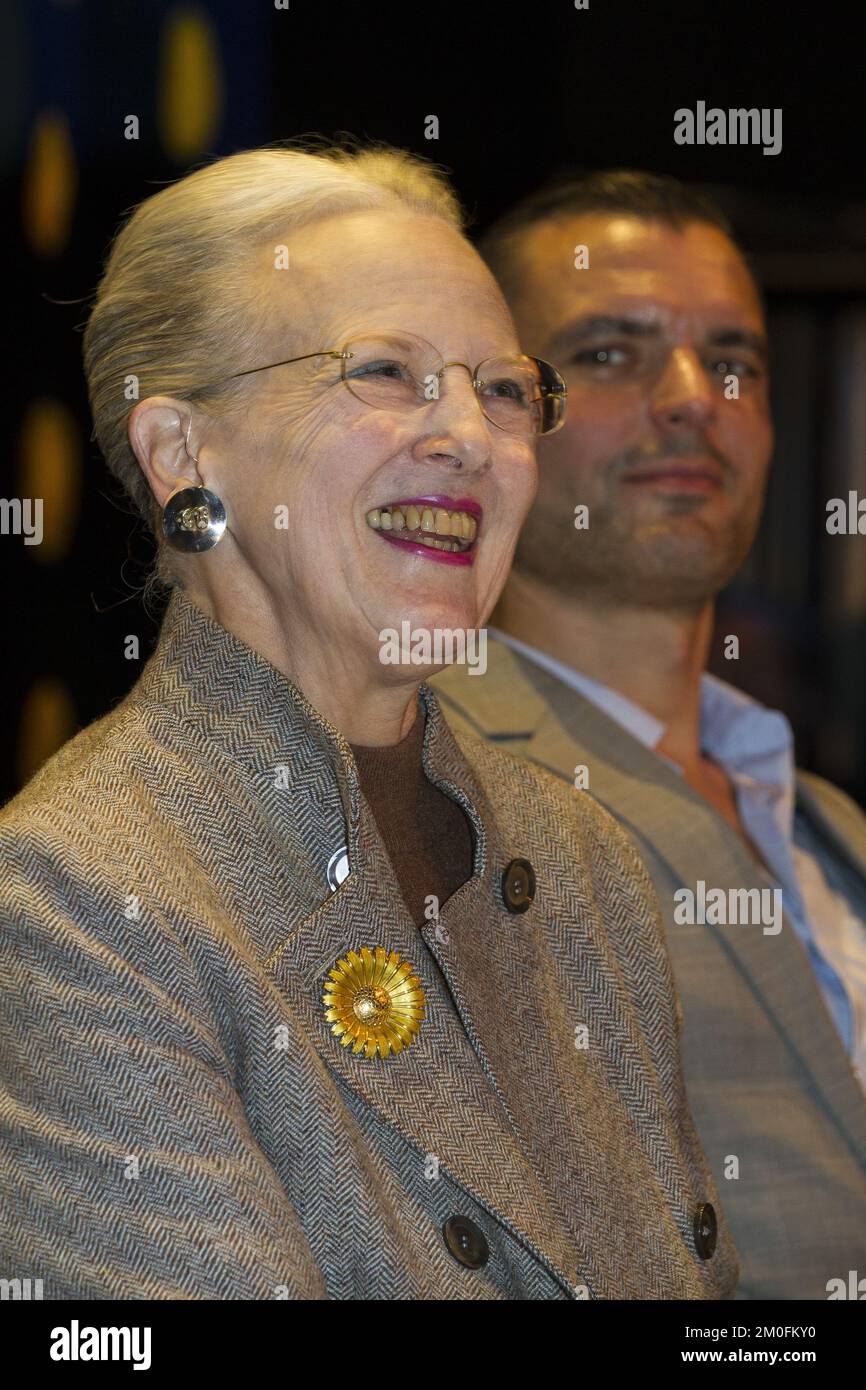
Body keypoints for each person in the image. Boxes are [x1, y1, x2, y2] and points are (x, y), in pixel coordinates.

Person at [0, 144, 736, 1300]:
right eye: (387, 371)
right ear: (184, 454)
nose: (467, 436)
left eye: (501, 389)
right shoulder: (75, 903)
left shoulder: (584, 862)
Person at [433, 170, 866, 1299]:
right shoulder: (419, 789)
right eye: (609, 353)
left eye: (734, 361)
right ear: (489, 416)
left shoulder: (821, 822)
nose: (692, 398)